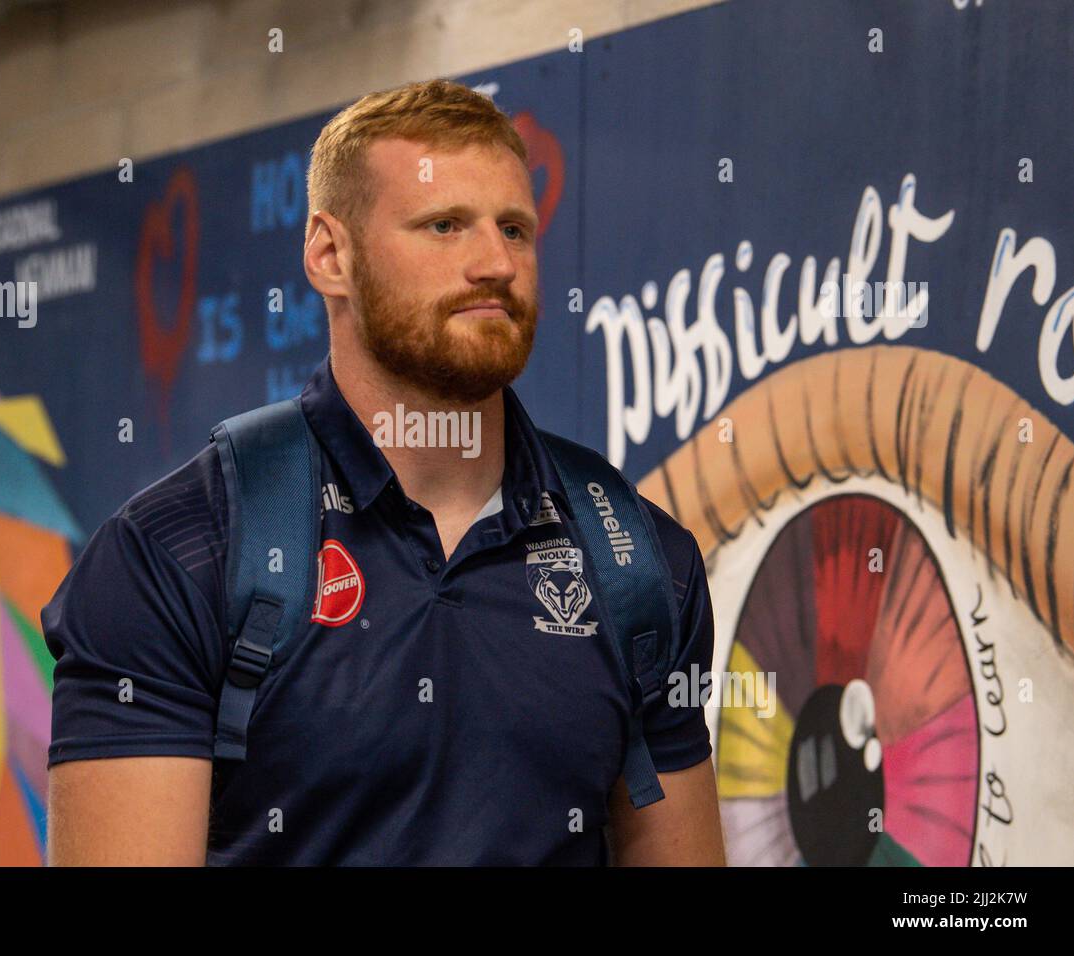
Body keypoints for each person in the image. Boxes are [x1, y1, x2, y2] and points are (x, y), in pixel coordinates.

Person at [43, 78, 726, 866]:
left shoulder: (638, 562)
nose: (496, 263)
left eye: (515, 228)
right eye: (445, 225)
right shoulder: (176, 555)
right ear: (330, 255)